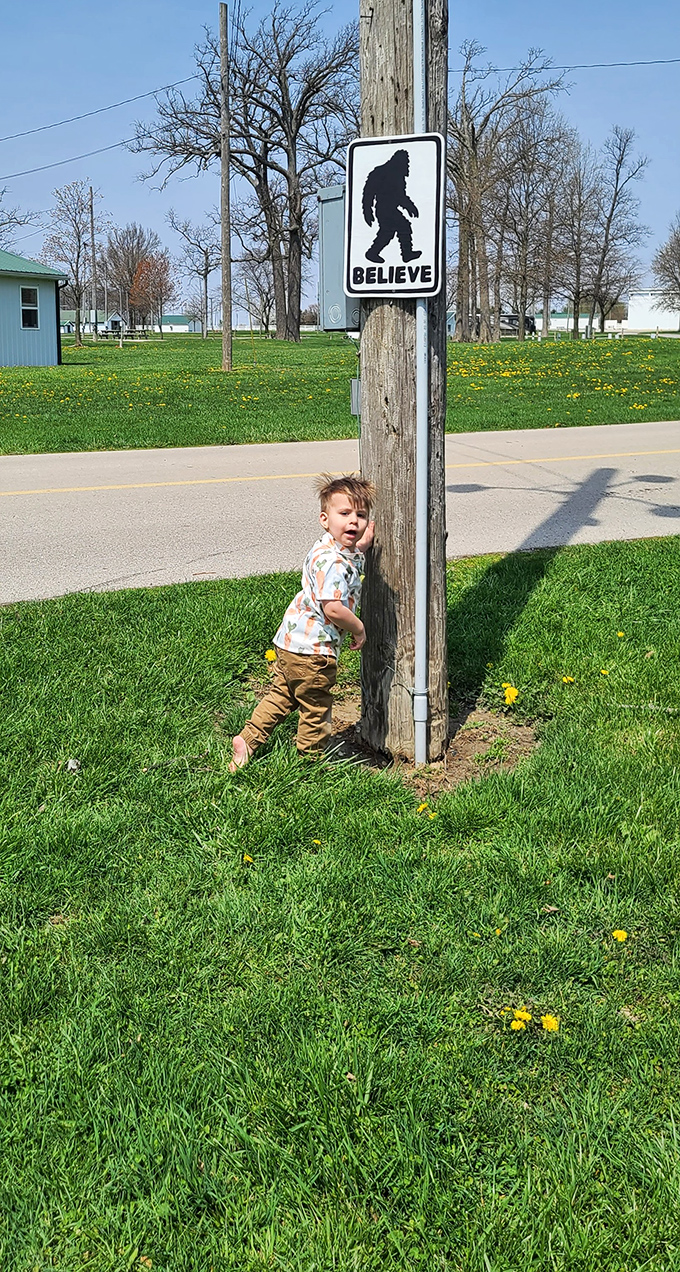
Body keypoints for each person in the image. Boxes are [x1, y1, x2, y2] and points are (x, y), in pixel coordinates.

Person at [229, 473, 376, 771]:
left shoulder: (326, 548)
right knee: (316, 707)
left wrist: (362, 545)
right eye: (345, 513)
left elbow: (349, 555)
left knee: (281, 695)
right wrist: (359, 627)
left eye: (361, 515)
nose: (353, 522)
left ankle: (248, 739)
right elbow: (333, 608)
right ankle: (310, 763)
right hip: (313, 652)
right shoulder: (334, 563)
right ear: (325, 518)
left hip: (290, 642)